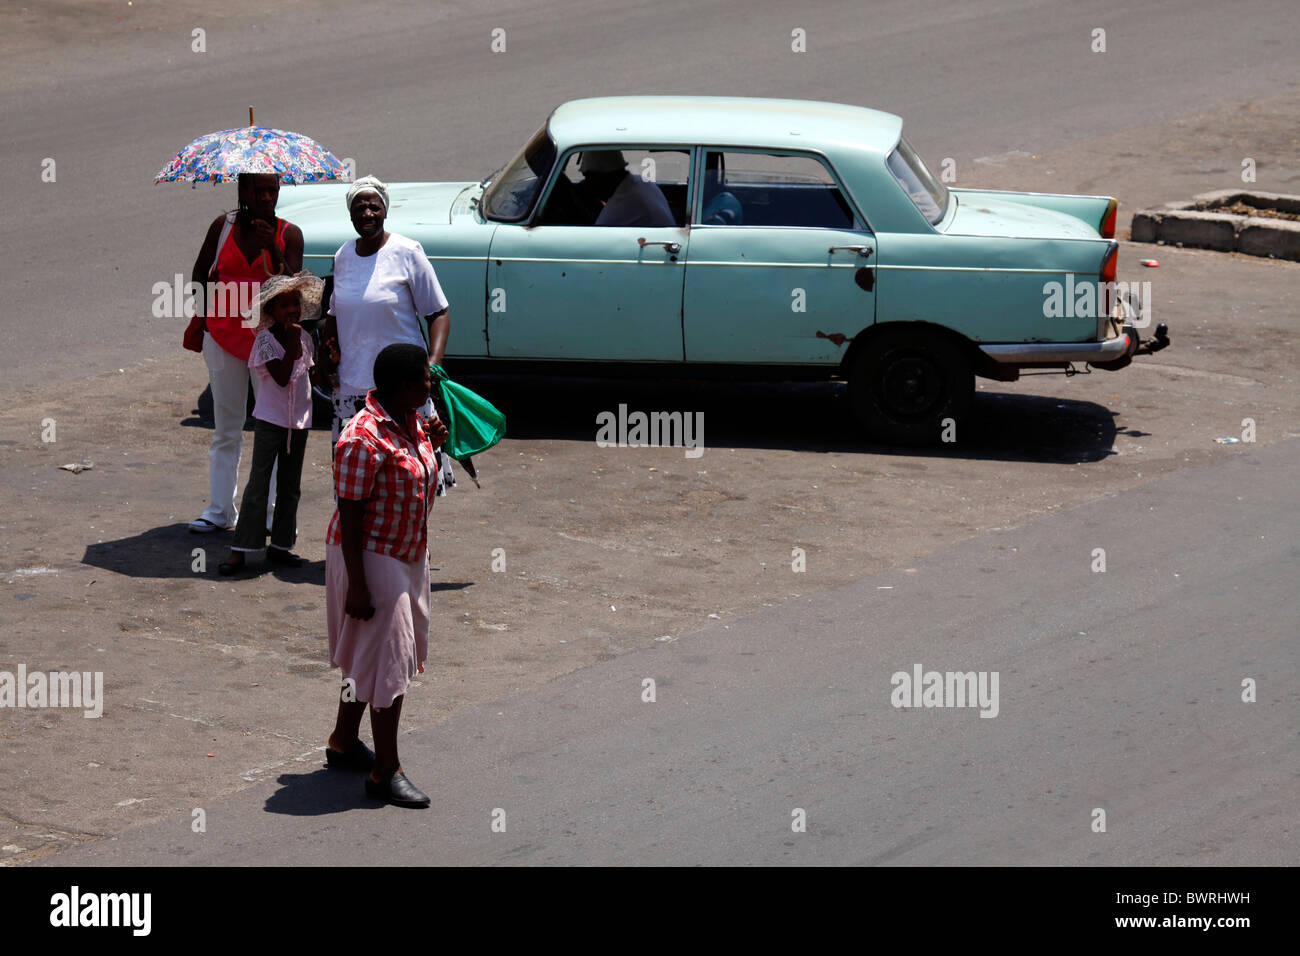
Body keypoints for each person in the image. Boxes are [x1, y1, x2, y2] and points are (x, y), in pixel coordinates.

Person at [325, 343, 448, 808]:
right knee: (390, 662)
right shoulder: (362, 436)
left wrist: (435, 443)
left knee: (367, 653)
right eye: (424, 378)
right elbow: (350, 513)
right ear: (403, 385)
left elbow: (421, 478)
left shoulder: (412, 422)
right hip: (369, 555)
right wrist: (357, 583)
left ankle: (342, 740)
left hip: (405, 551)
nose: (431, 384)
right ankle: (384, 770)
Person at [186, 172, 304, 533]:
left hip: (267, 344)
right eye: (259, 189)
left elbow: (295, 287)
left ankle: (266, 515)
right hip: (222, 341)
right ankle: (219, 510)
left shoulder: (289, 234)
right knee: (227, 428)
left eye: (273, 189)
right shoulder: (223, 226)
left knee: (268, 429)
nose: (267, 196)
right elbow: (200, 274)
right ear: (244, 190)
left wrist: (272, 248)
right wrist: (208, 318)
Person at [217, 272, 322, 575]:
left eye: (295, 304)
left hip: (298, 422)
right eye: (284, 305)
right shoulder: (266, 339)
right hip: (270, 421)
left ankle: (281, 545)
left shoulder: (303, 336)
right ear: (271, 312)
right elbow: (280, 375)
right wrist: (290, 342)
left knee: (290, 486)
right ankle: (241, 549)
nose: (291, 310)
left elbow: (307, 375)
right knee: (258, 485)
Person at [578, 150, 675, 227]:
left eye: (589, 177)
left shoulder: (623, 202)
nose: (587, 184)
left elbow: (597, 237)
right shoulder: (640, 182)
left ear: (602, 176)